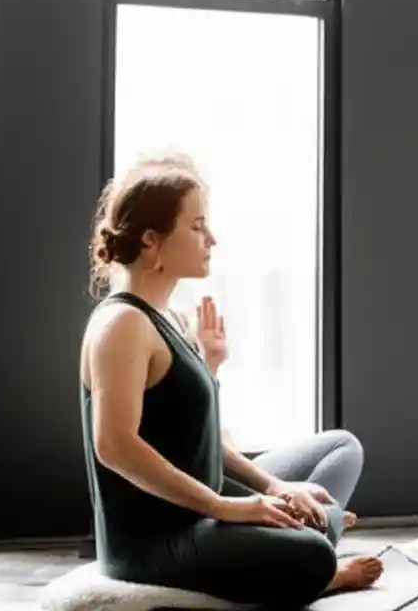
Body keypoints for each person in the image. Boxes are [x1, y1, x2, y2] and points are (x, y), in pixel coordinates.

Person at [79, 155, 380, 606]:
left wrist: (276, 488)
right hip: (157, 542)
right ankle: (315, 563)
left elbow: (191, 438)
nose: (211, 239)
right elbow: (114, 445)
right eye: (197, 226)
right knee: (315, 550)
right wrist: (226, 507)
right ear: (150, 240)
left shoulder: (168, 319)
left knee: (339, 450)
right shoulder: (121, 325)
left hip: (202, 499)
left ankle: (298, 533)